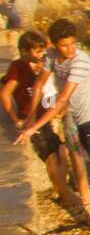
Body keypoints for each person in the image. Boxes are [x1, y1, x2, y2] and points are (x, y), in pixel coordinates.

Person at [14, 18, 90, 235]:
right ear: (52, 44)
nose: (70, 50)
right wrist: (29, 117)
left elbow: (62, 99)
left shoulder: (80, 62)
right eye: (64, 45)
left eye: (72, 44)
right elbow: (39, 85)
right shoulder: (51, 57)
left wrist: (33, 128)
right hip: (79, 120)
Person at [1, 31, 79, 211]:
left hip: (43, 117)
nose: (41, 55)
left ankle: (65, 188)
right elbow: (5, 93)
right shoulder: (18, 67)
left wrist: (56, 111)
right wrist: (15, 120)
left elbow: (47, 92)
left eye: (42, 51)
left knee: (61, 150)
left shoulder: (40, 66)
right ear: (24, 51)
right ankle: (64, 194)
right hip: (30, 118)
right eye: (37, 51)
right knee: (50, 155)